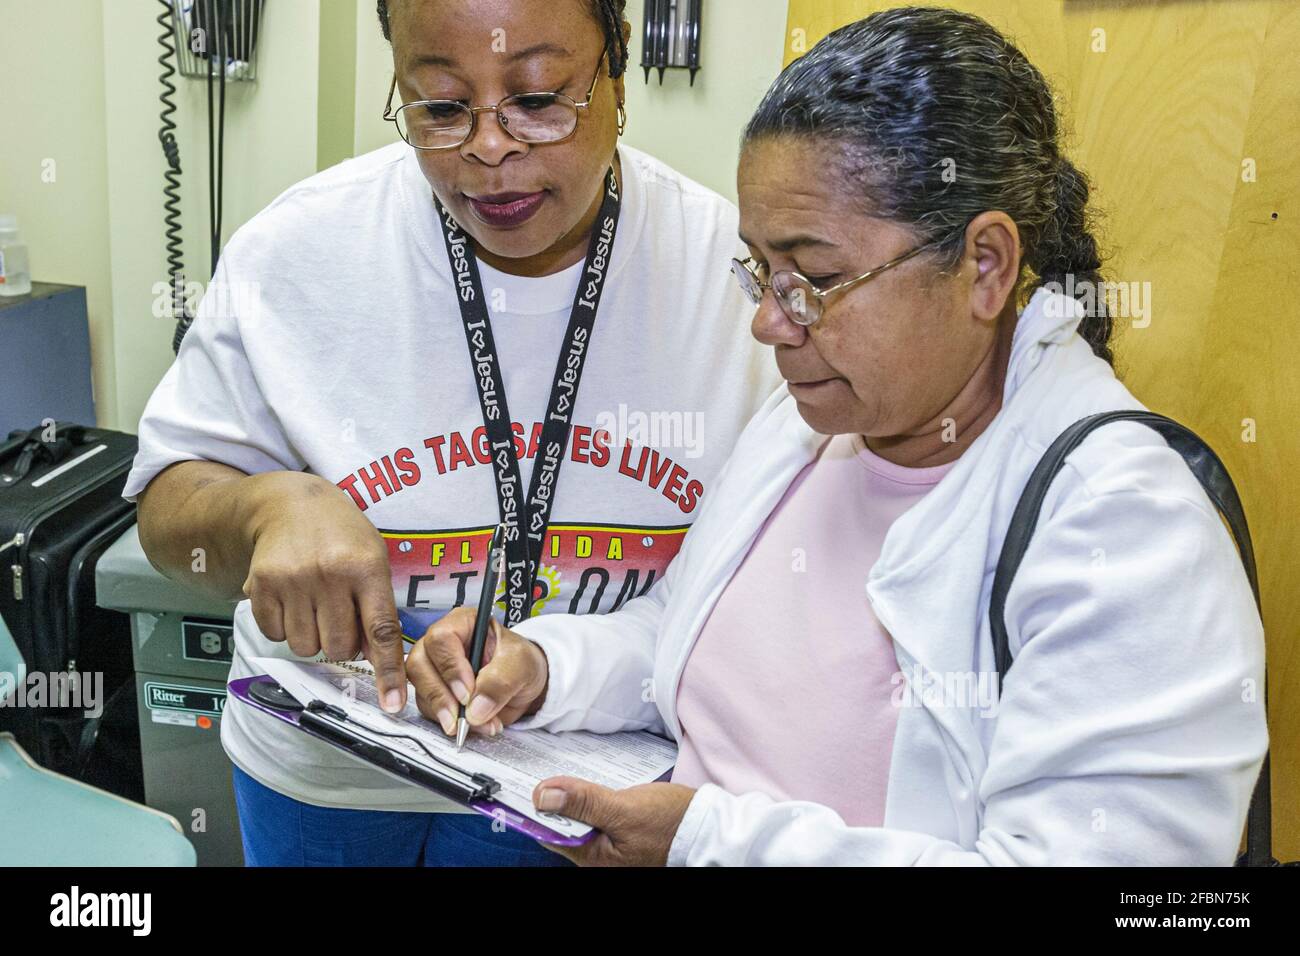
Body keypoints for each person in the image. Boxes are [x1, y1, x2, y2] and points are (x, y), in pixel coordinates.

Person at [407, 7, 1269, 866]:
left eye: (816, 279)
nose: (770, 326)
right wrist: (546, 666)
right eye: (760, 272)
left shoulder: (1126, 530)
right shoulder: (816, 425)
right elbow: (684, 634)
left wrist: (709, 845)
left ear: (985, 266)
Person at [124, 0, 778, 866]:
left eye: (540, 98)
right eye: (438, 106)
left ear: (618, 73)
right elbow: (168, 519)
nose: (490, 149)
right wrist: (266, 508)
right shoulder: (295, 250)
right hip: (327, 773)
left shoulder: (737, 277)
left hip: (578, 775)